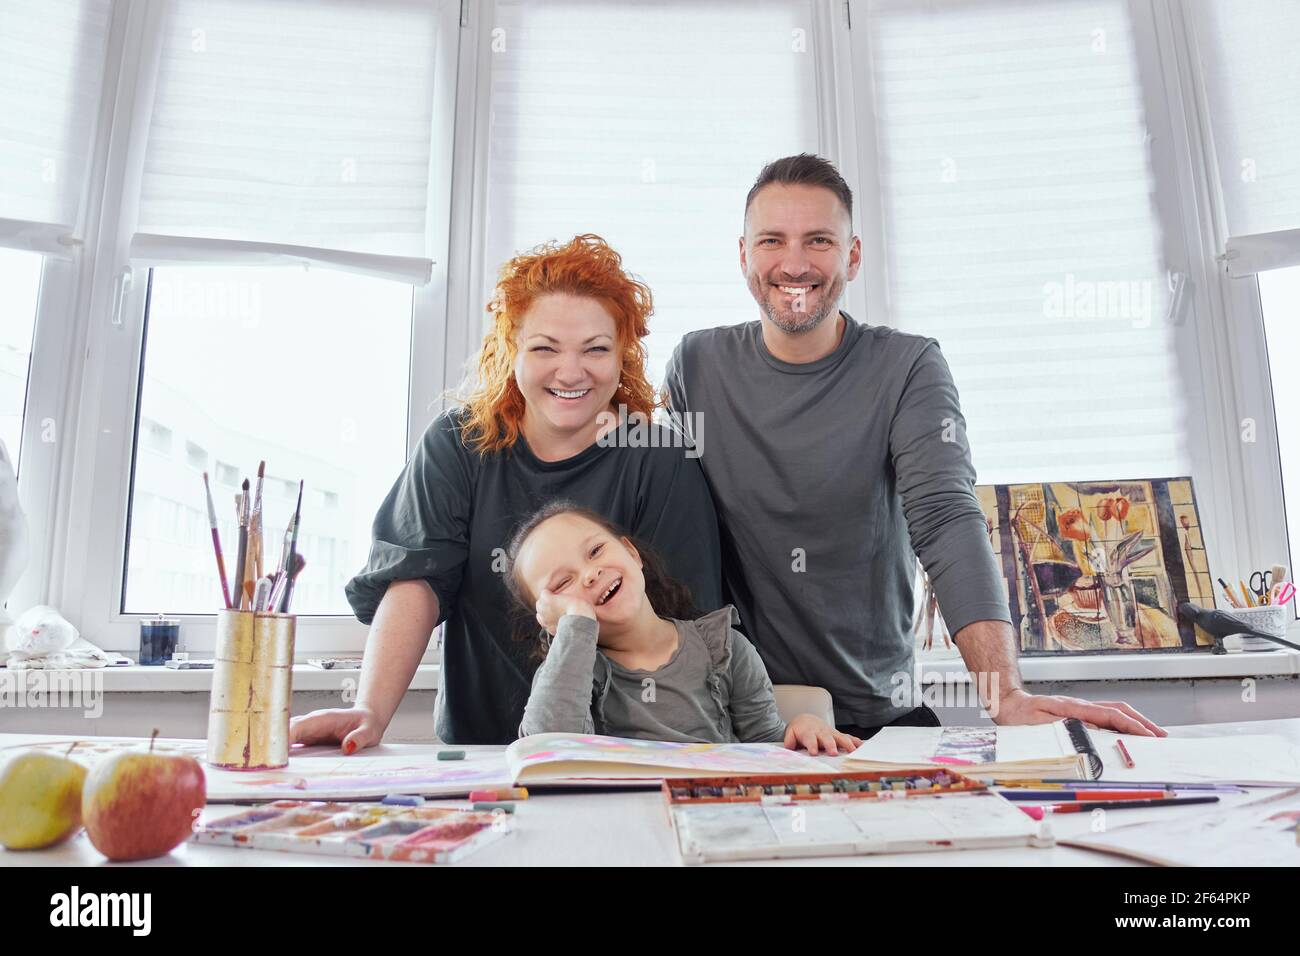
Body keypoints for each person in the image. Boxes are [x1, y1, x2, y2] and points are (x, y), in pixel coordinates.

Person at [664, 154, 1165, 741]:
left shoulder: (907, 366)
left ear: (852, 256)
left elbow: (946, 517)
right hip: (739, 722)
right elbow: (670, 529)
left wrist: (1002, 695)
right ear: (744, 255)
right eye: (772, 240)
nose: (794, 263)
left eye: (819, 240)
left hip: (876, 719)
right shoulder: (697, 365)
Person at [292, 234, 722, 747]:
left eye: (596, 349)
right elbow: (416, 580)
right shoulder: (457, 444)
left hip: (627, 751)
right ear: (510, 350)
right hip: (482, 748)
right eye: (545, 348)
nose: (570, 372)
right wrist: (370, 710)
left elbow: (687, 626)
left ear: (622, 356)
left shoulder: (659, 458)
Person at [509, 502, 860, 754]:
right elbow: (548, 752)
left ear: (632, 553)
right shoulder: (572, 676)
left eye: (596, 551)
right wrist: (577, 623)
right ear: (551, 618)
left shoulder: (724, 648)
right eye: (561, 584)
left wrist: (797, 730)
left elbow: (765, 747)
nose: (589, 574)